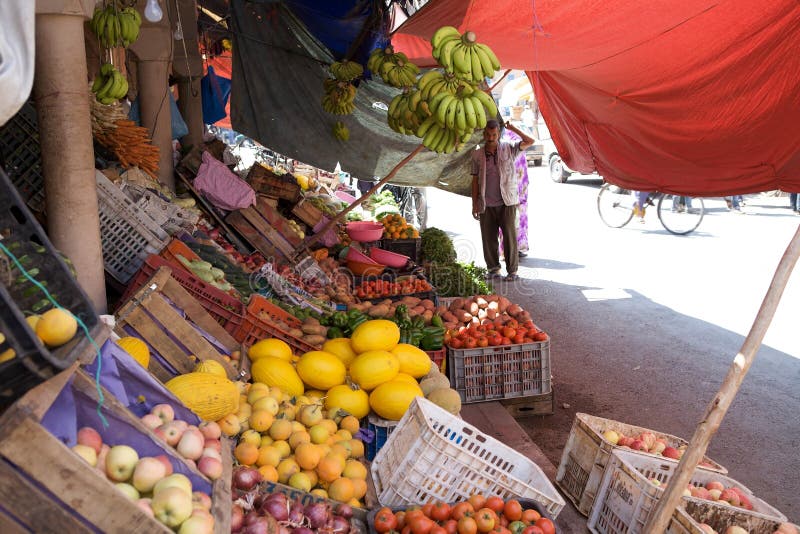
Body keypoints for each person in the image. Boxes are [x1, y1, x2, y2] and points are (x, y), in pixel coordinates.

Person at [471, 119, 534, 281]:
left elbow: (530, 141)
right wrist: (475, 204)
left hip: (508, 202)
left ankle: (512, 271)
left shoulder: (509, 148)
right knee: (488, 238)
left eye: (494, 134)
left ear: (498, 134)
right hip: (486, 203)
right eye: (488, 134)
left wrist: (512, 127)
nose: (491, 137)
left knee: (509, 237)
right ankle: (493, 269)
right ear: (484, 135)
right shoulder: (477, 154)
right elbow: (474, 181)